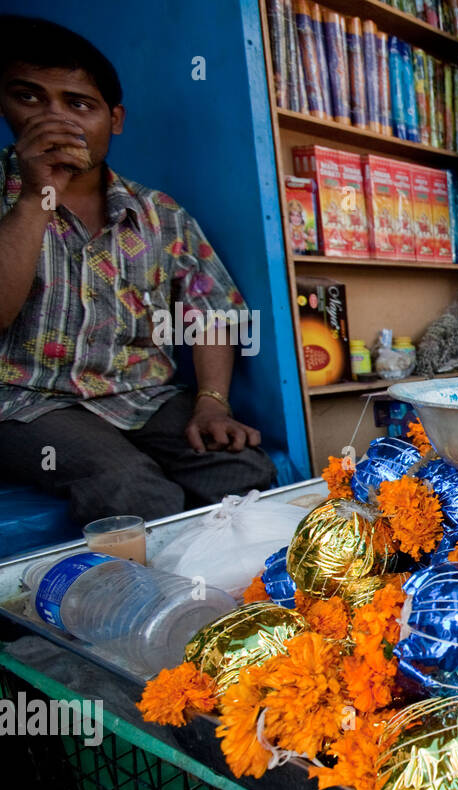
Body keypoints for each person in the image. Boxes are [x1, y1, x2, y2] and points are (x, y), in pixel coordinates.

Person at [0, 17, 277, 526]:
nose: (56, 120)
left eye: (79, 104)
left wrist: (212, 403)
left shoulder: (160, 214)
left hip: (142, 397)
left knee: (240, 469)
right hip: (24, 401)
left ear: (115, 118)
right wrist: (35, 197)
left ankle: (250, 601)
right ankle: (167, 606)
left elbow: (212, 312)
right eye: (31, 98)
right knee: (127, 486)